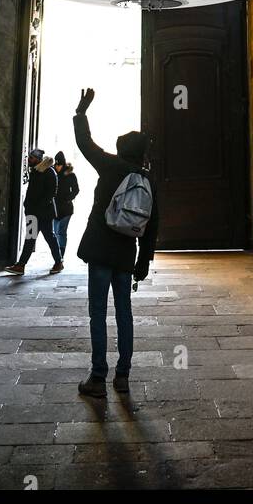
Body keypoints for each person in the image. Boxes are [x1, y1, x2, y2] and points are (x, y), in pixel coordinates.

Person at [73, 86, 159, 398]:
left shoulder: (109, 165)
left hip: (100, 250)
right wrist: (144, 261)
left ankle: (98, 377)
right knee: (125, 313)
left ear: (123, 149)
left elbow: (85, 144)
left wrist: (82, 112)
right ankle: (122, 377)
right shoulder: (146, 179)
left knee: (98, 312)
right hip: (125, 254)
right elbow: (152, 224)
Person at [4, 148, 63, 276]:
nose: (28, 160)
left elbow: (51, 193)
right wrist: (29, 206)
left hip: (44, 213)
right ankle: (20, 266)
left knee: (50, 238)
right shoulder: (36, 171)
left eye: (31, 158)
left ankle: (58, 262)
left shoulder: (49, 172)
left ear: (38, 159)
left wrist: (37, 207)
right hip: (33, 212)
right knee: (30, 238)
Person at [52, 150, 79, 262]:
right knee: (55, 232)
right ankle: (58, 255)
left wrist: (68, 198)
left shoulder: (70, 175)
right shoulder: (52, 173)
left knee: (61, 232)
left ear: (63, 164)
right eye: (56, 164)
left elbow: (76, 190)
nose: (57, 166)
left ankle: (60, 255)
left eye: (59, 164)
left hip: (66, 208)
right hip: (53, 208)